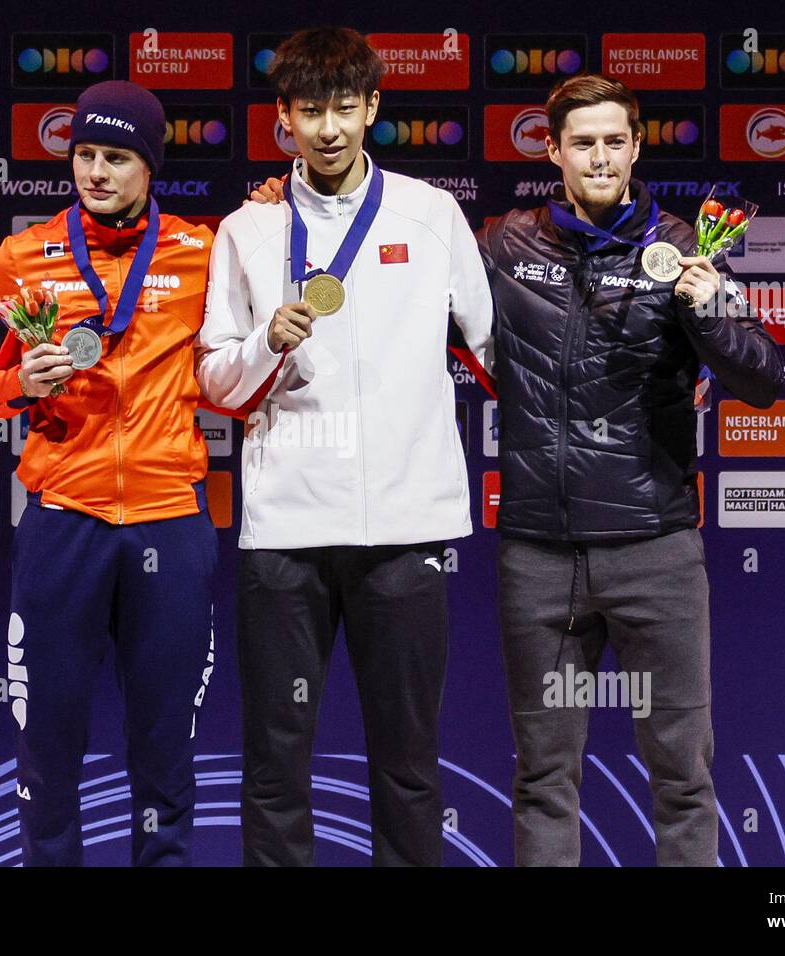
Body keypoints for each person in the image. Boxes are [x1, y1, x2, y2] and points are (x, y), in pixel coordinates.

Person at [195, 26, 493, 866]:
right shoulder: (244, 233)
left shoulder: (430, 216)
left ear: (373, 108)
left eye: (345, 108)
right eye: (310, 111)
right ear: (282, 118)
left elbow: (498, 347)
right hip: (286, 535)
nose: (329, 129)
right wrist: (266, 343)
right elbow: (215, 380)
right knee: (276, 763)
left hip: (405, 531)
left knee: (408, 764)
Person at [479, 74, 784, 865]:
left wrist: (711, 307)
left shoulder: (686, 251)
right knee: (545, 776)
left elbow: (762, 379)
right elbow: (398, 285)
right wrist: (282, 200)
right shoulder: (506, 246)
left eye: (615, 141)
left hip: (655, 553)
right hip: (539, 556)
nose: (600, 157)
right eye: (582, 142)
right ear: (552, 151)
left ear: (638, 147)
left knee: (683, 775)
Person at [0, 80, 218, 867]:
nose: (96, 173)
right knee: (48, 753)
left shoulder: (202, 254)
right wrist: (21, 385)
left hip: (170, 521)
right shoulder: (21, 259)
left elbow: (237, 365)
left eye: (116, 157)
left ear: (151, 166)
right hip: (63, 521)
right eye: (84, 156)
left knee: (166, 752)